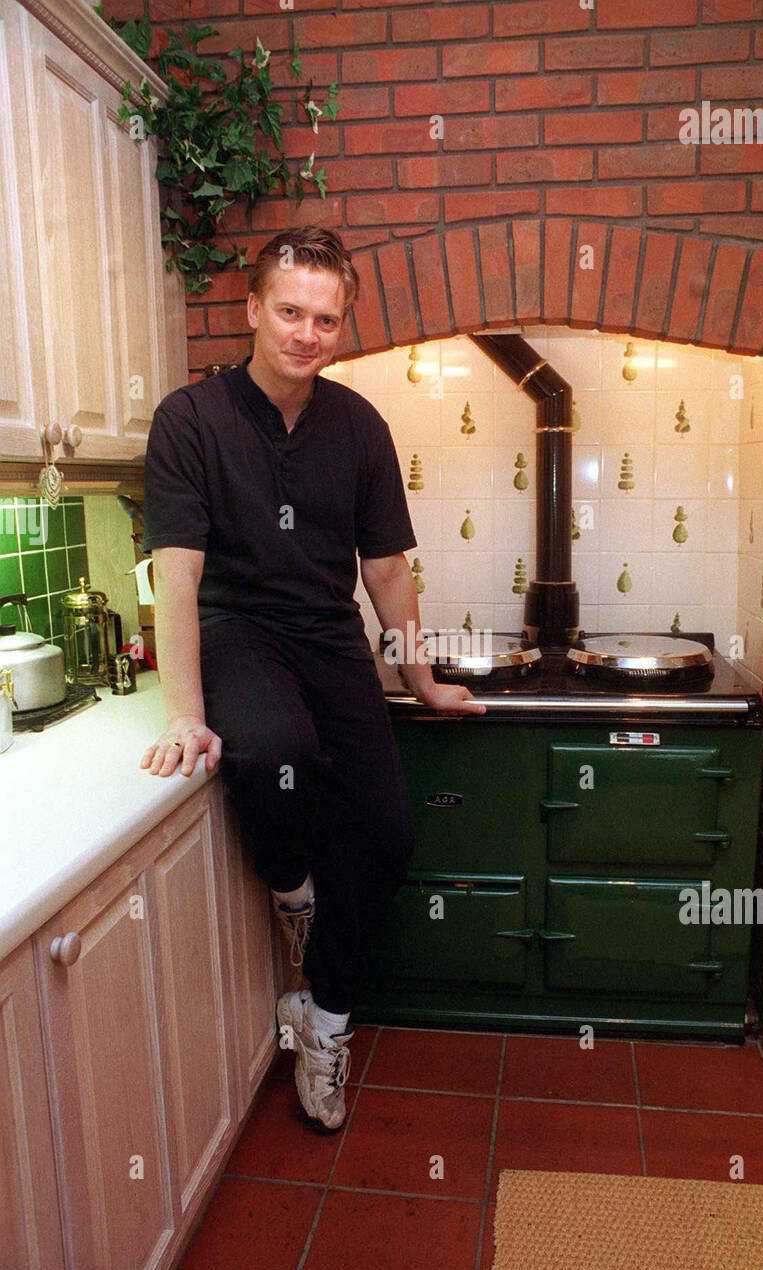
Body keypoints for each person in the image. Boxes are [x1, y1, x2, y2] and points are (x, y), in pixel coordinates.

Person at [139, 226, 486, 1133]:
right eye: (289, 311)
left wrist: (421, 679)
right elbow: (173, 572)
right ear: (252, 310)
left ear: (342, 328)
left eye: (324, 318)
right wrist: (184, 711)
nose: (306, 332)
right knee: (275, 750)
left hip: (329, 640)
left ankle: (322, 1025)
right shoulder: (191, 420)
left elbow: (387, 572)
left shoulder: (359, 427)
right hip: (238, 632)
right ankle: (293, 888)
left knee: (385, 832)